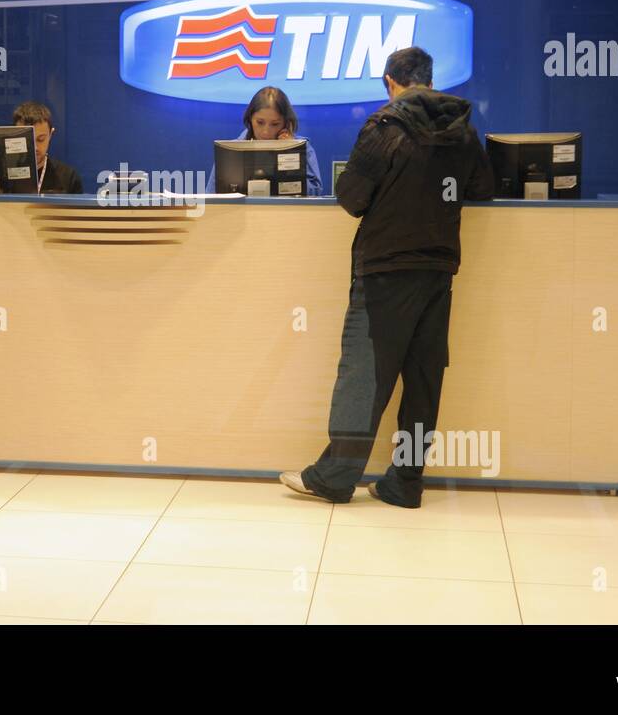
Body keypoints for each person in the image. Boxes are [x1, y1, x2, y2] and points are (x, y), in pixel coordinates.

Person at [281, 47, 494, 507]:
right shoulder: (461, 130)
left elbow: (351, 197)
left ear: (390, 81)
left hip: (384, 267)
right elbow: (482, 187)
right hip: (438, 268)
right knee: (423, 377)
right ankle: (405, 482)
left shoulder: (385, 126)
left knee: (363, 375)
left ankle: (336, 476)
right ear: (430, 81)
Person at [205, 86, 322, 195]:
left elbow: (315, 193)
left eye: (275, 124)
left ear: (286, 123)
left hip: (287, 215)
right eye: (260, 122)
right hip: (239, 215)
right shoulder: (230, 151)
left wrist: (291, 152)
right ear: (250, 119)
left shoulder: (302, 147)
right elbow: (211, 197)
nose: (266, 131)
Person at [13, 101, 82, 194]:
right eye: (28, 140)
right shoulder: (2, 177)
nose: (35, 148)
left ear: (50, 135)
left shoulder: (68, 177)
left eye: (40, 139)